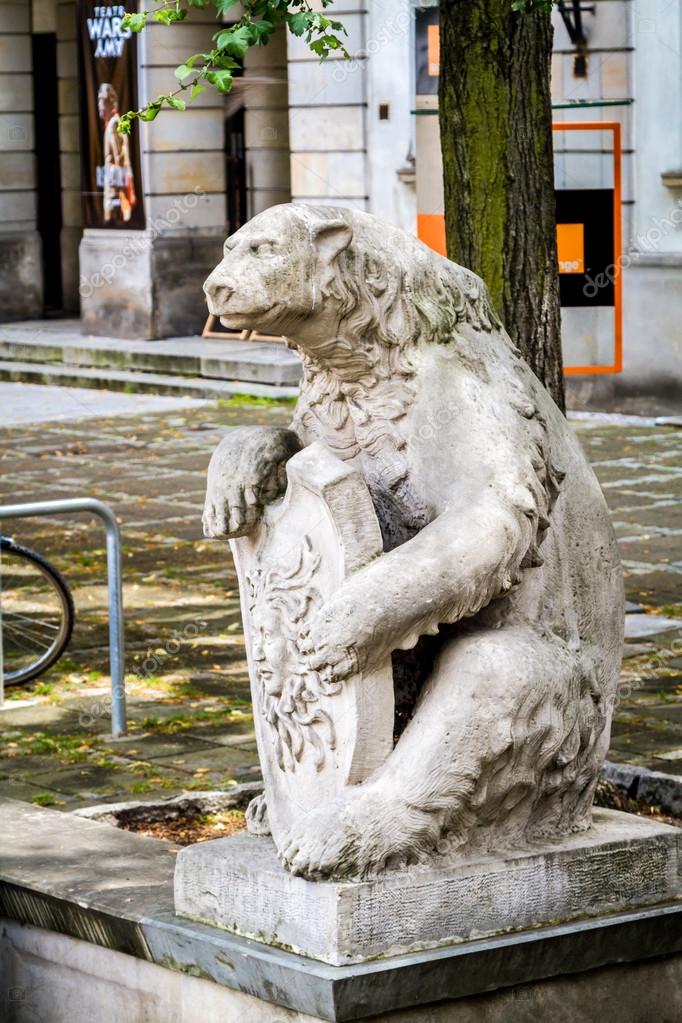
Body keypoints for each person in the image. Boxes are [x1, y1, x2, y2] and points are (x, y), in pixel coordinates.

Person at [97, 82, 136, 224]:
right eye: (99, 100)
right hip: (114, 179)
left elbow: (119, 156)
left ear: (111, 102)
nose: (100, 105)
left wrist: (116, 183)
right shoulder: (112, 123)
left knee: (115, 218)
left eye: (102, 100)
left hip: (115, 182)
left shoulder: (114, 123)